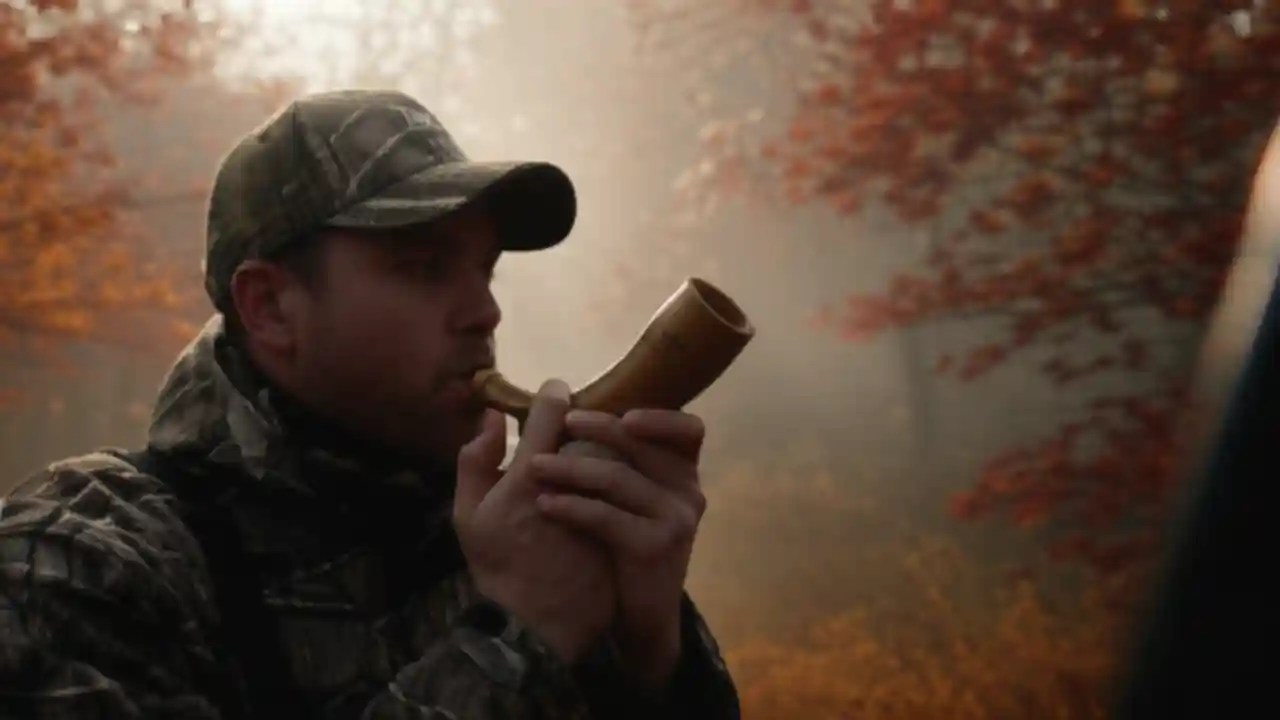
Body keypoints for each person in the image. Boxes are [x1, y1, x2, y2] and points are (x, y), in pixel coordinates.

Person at [0, 89, 740, 719]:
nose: (485, 312)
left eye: (486, 271)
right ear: (271, 308)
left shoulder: (510, 537)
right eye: (423, 267)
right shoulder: (81, 560)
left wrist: (652, 663)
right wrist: (518, 639)